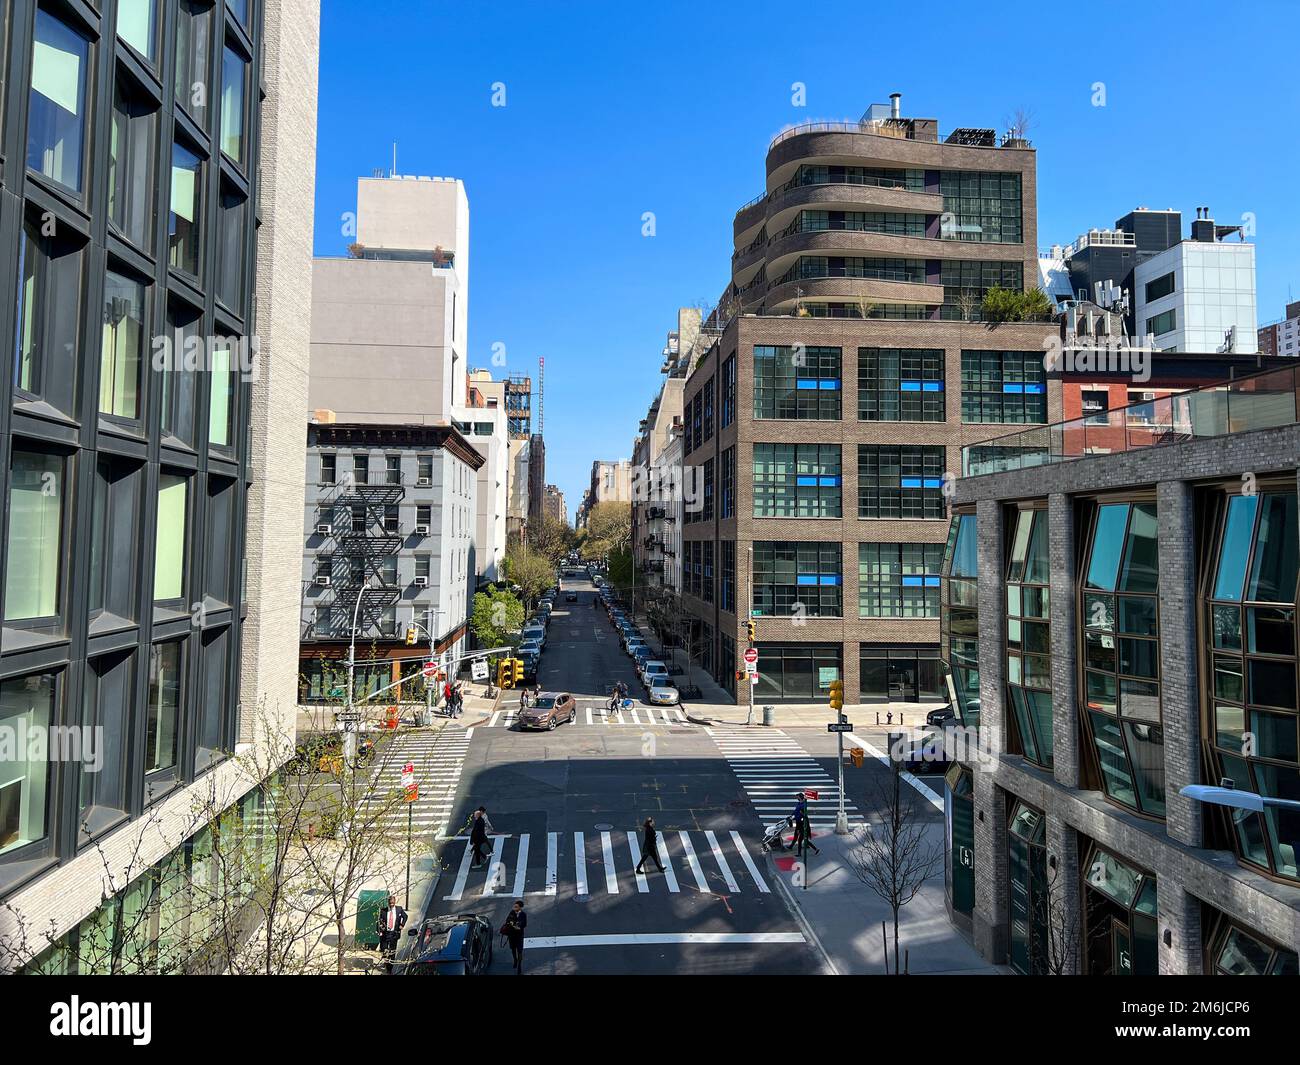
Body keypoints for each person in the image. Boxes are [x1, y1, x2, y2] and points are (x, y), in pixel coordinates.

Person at [501, 899, 527, 974]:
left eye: (516, 906)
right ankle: (515, 960)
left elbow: (524, 924)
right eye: (514, 906)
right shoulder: (512, 912)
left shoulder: (523, 915)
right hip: (512, 935)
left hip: (519, 936)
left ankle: (519, 965)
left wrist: (517, 925)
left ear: (520, 908)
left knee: (519, 951)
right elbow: (507, 921)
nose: (514, 907)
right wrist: (511, 923)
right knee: (513, 949)